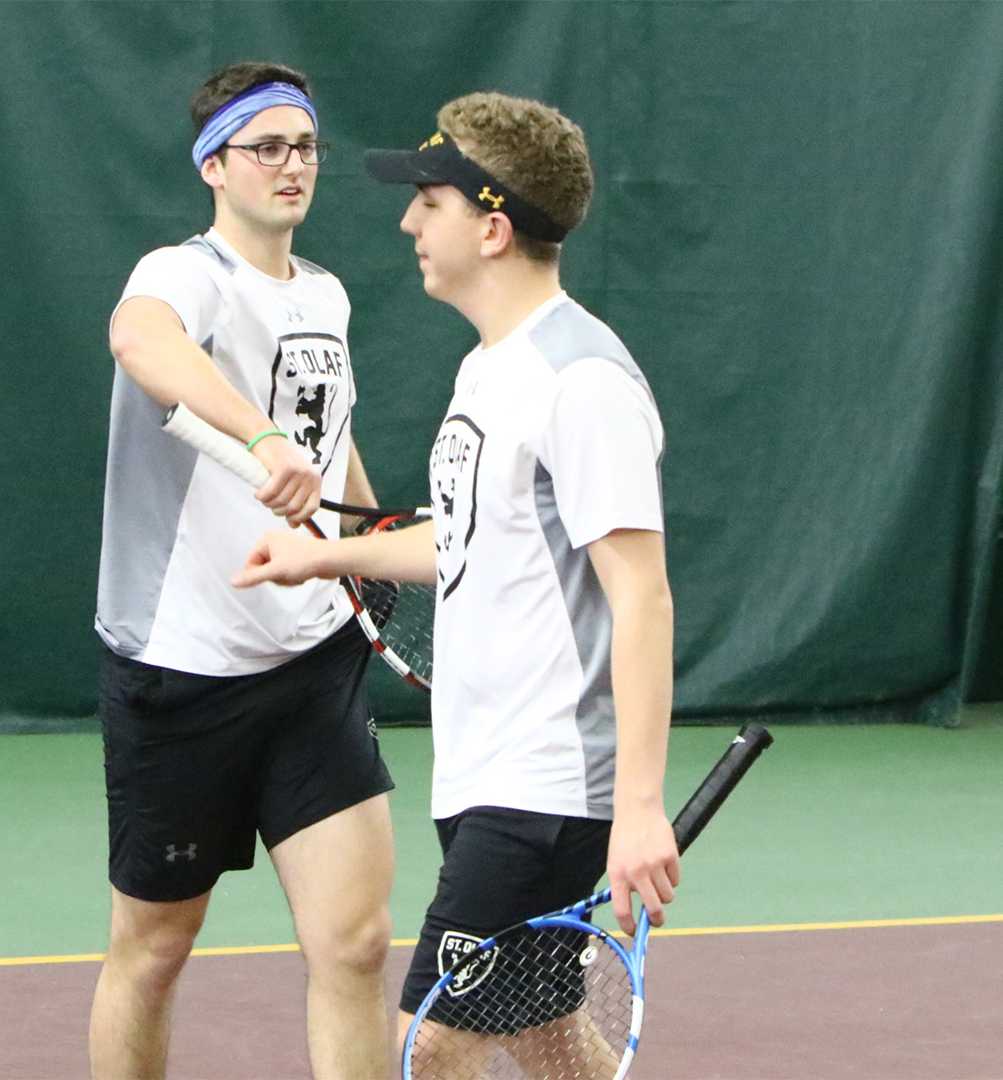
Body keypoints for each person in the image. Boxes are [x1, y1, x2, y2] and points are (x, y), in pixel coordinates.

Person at [232, 91, 679, 1066]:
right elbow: (468, 543)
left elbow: (641, 596)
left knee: (428, 1048)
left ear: (492, 228)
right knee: (543, 1030)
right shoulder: (489, 369)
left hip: (548, 785)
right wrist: (326, 554)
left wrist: (640, 806)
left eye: (428, 203)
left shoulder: (581, 383)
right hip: (483, 766)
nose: (408, 223)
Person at [88, 61, 394, 1080]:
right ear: (214, 166)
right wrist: (261, 439)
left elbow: (329, 441)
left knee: (355, 944)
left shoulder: (326, 294)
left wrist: (368, 538)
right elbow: (138, 336)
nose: (292, 165)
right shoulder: (186, 277)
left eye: (305, 147)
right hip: (185, 669)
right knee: (154, 949)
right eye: (266, 148)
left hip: (313, 663)